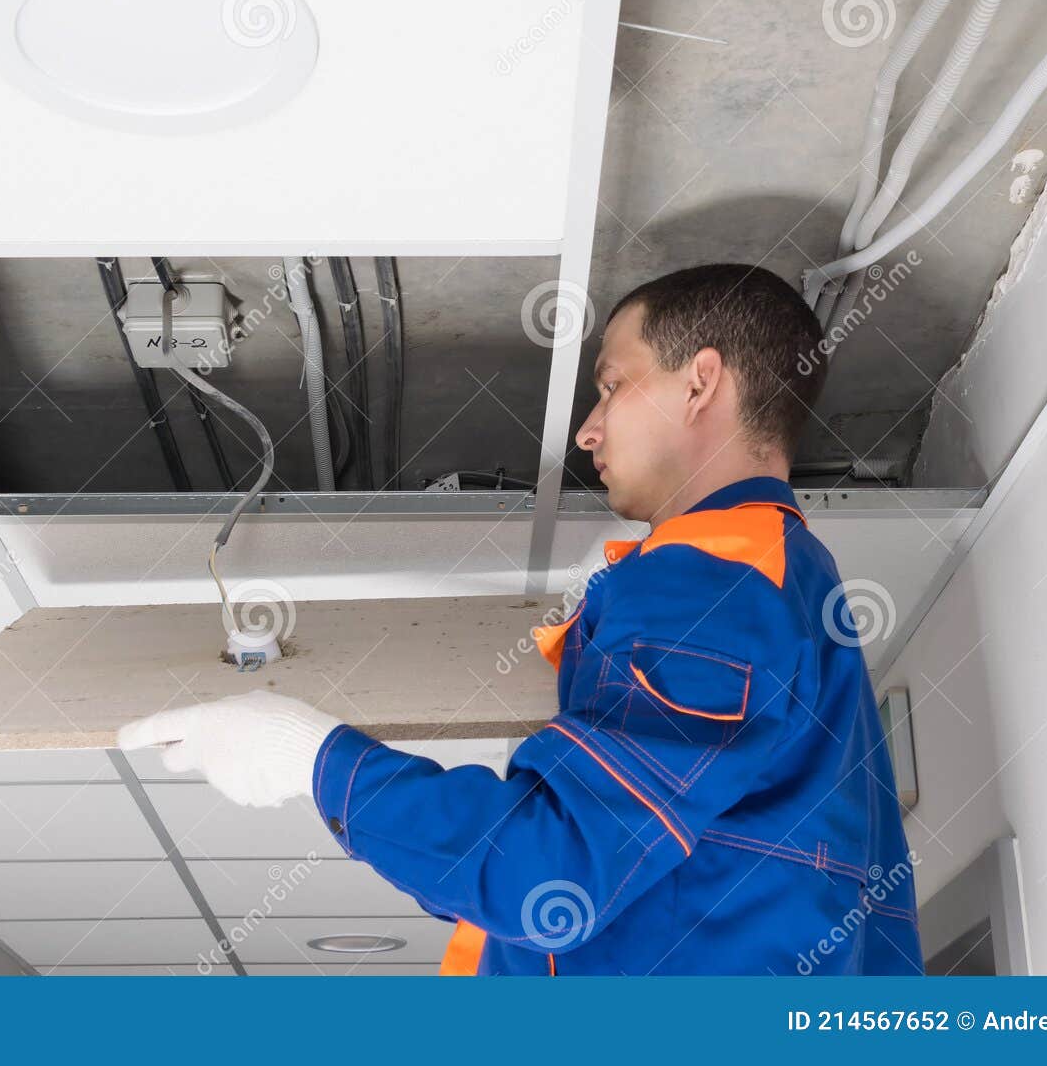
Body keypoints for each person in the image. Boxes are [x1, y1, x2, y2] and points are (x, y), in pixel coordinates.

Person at [120, 264, 923, 975]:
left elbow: (549, 877)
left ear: (700, 381)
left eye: (612, 384)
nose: (588, 428)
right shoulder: (772, 584)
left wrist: (313, 761)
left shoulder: (710, 585)